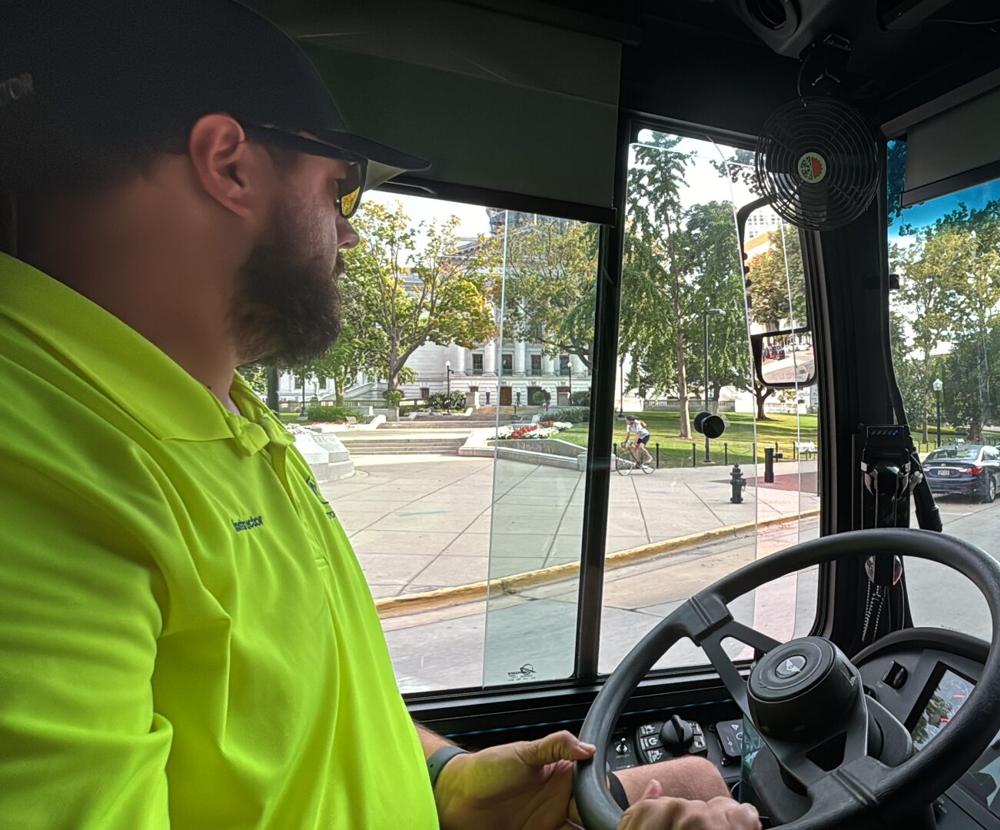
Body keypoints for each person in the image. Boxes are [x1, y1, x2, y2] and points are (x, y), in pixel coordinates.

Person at [0, 3, 759, 829]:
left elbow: (303, 710)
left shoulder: (207, 400)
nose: (349, 237)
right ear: (229, 166)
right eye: (340, 191)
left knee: (700, 780)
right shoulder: (37, 473)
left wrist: (446, 777)